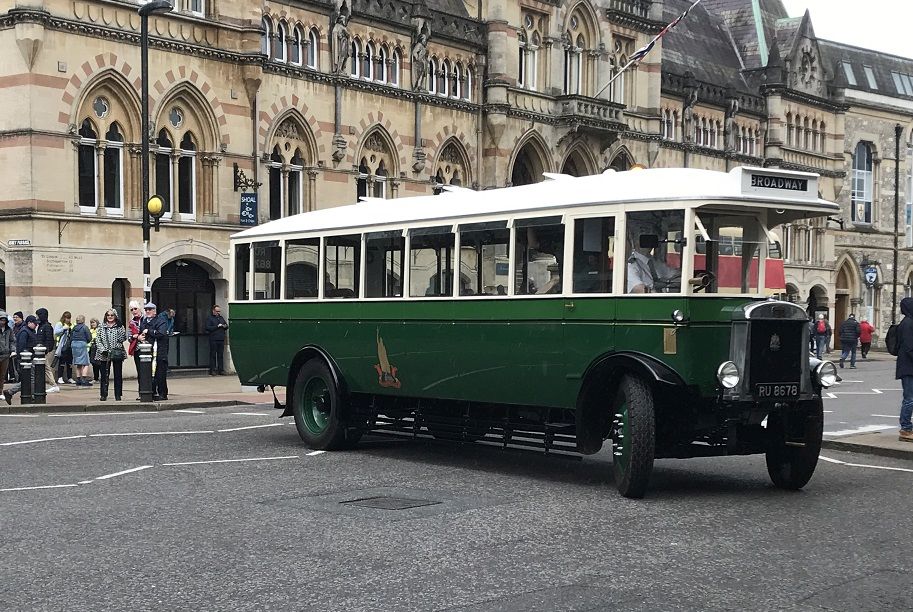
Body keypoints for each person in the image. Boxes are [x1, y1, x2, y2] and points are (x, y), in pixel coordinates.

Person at [3, 315, 38, 405]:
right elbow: (21, 347)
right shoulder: (24, 332)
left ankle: (11, 392)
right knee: (31, 378)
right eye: (35, 323)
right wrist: (24, 359)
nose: (36, 325)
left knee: (29, 378)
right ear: (29, 322)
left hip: (30, 358)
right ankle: (33, 396)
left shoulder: (30, 331)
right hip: (27, 359)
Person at [95, 309, 127, 401]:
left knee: (118, 375)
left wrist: (121, 328)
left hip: (116, 353)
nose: (110, 317)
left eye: (112, 315)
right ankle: (103, 394)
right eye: (108, 315)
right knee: (104, 375)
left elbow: (122, 339)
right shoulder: (101, 326)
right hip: (104, 354)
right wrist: (103, 350)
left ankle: (118, 394)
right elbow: (98, 339)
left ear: (115, 316)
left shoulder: (119, 326)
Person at [140, 302, 170, 400]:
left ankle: (162, 393)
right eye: (146, 310)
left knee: (160, 373)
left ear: (154, 311)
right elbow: (141, 332)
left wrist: (149, 331)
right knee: (149, 373)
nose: (147, 311)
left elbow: (161, 333)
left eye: (150, 309)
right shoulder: (144, 321)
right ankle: (151, 392)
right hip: (148, 350)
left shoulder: (161, 321)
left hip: (159, 351)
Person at [896, 297, 913, 442]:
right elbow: (909, 348)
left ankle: (907, 427)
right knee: (909, 399)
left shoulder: (907, 322)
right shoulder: (908, 323)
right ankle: (906, 428)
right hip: (908, 367)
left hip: (907, 366)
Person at [35, 308, 59, 393]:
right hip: (40, 351)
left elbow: (49, 340)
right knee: (44, 368)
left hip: (44, 351)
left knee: (46, 368)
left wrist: (46, 349)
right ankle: (50, 384)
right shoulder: (40, 326)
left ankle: (53, 384)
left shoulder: (47, 326)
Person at [205, 304, 229, 375]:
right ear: (213, 311)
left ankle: (220, 370)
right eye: (217, 311)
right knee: (213, 355)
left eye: (219, 311)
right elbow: (208, 327)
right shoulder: (210, 318)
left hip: (221, 339)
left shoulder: (221, 318)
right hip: (213, 339)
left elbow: (226, 325)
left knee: (220, 355)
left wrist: (224, 326)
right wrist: (217, 326)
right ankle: (212, 370)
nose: (218, 312)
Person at [69, 314, 93, 387]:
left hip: (74, 345)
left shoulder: (74, 328)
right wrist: (86, 342)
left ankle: (78, 379)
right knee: (85, 363)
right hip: (82, 344)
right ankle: (84, 379)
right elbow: (89, 337)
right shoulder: (85, 327)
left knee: (78, 363)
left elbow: (71, 337)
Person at [53, 311, 75, 384]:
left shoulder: (70, 325)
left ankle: (69, 377)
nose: (68, 320)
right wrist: (63, 329)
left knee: (69, 363)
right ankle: (60, 377)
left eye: (69, 318)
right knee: (61, 362)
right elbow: (56, 332)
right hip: (62, 346)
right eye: (67, 318)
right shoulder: (60, 324)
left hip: (69, 346)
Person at [0, 311, 12, 400]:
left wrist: (13, 350)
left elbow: (12, 340)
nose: (2, 322)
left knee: (2, 375)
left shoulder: (9, 330)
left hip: (6, 355)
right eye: (1, 320)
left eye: (4, 320)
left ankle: (0, 391)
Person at [88, 316, 101, 382]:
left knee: (99, 363)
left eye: (93, 322)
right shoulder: (90, 330)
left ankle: (101, 377)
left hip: (98, 347)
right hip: (92, 348)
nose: (92, 324)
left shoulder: (100, 330)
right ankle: (96, 378)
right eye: (91, 323)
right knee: (94, 363)